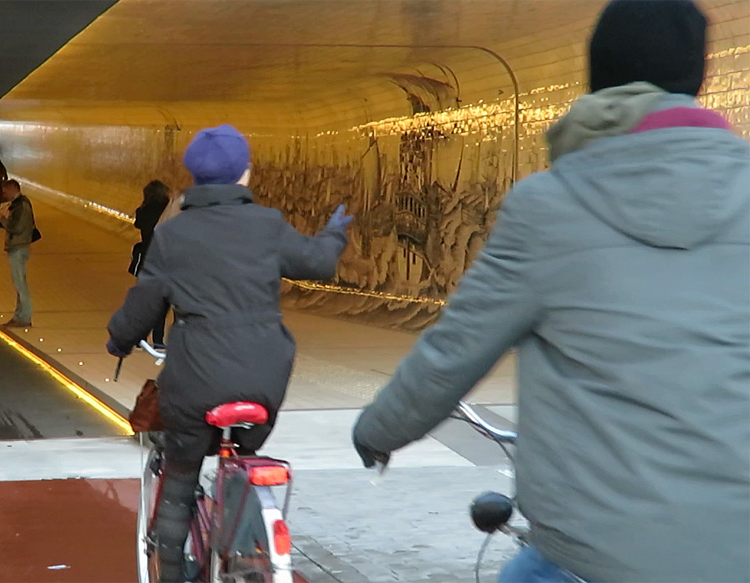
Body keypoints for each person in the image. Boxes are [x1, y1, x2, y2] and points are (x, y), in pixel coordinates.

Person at [351, 2, 749, 582]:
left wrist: (378, 431)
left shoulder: (552, 204)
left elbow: (454, 354)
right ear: (701, 77)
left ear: (597, 80)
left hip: (592, 552)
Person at [106, 124, 353, 583]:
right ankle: (242, 545)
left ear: (194, 178)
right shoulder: (268, 224)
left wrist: (119, 339)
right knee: (241, 456)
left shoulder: (174, 237)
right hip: (265, 380)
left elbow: (144, 305)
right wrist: (335, 233)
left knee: (180, 478)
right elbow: (317, 262)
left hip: (195, 383)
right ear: (245, 173)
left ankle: (175, 573)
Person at [130, 180, 170, 347]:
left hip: (146, 260)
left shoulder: (143, 211)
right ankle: (158, 340)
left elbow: (138, 223)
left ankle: (141, 338)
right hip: (165, 261)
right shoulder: (168, 212)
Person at [0, 179, 36, 328]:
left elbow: (16, 227)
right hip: (17, 246)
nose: (4, 195)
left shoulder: (22, 206)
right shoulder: (18, 204)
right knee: (18, 282)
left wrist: (2, 219)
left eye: (5, 192)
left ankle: (24, 316)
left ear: (12, 189)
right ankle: (19, 315)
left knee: (20, 283)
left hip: (19, 247)